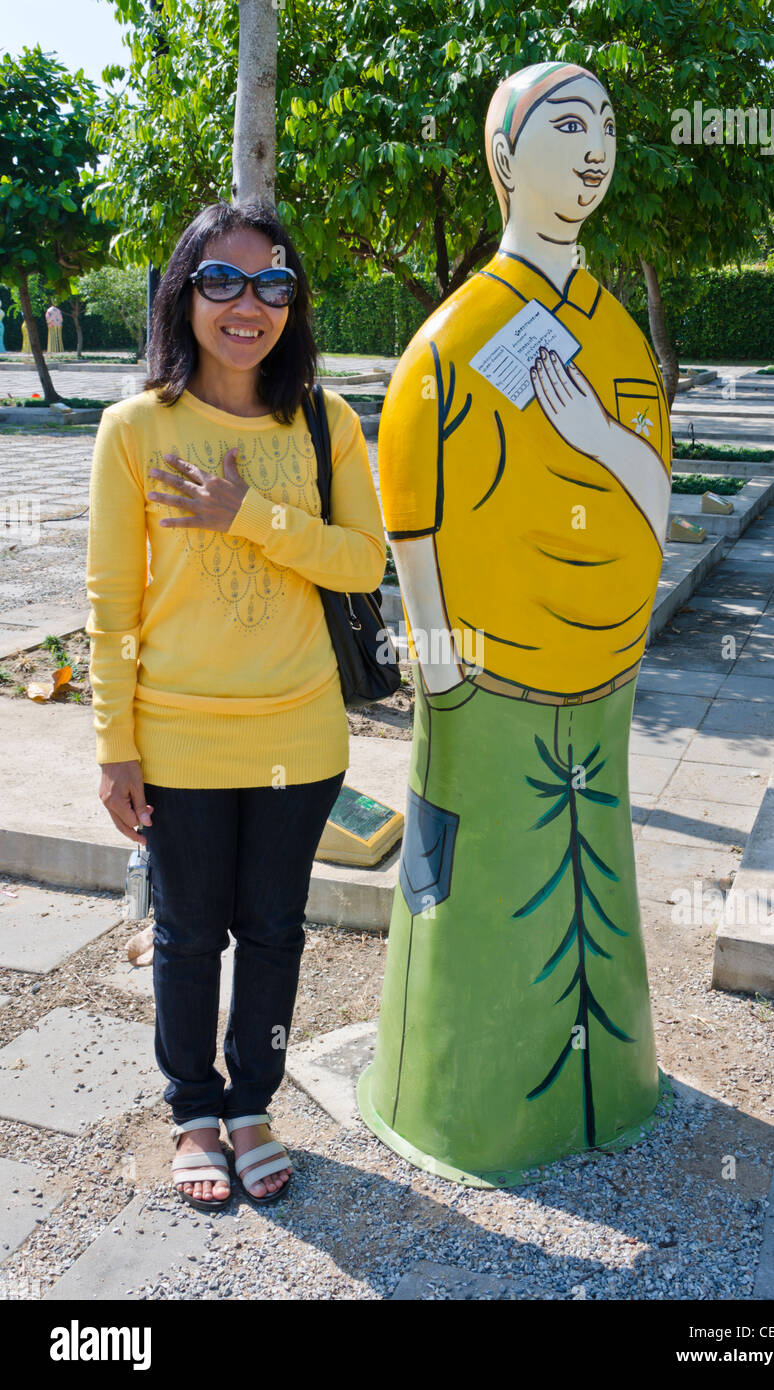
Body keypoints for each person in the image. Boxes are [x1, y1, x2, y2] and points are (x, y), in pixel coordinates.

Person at [359, 62, 673, 1184]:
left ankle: (605, 1086)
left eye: (607, 129)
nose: (595, 152)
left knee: (594, 888)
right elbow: (414, 528)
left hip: (605, 678)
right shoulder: (451, 342)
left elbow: (657, 499)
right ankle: (459, 1098)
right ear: (504, 157)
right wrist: (439, 678)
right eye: (567, 126)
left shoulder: (619, 339)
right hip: (486, 689)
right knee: (484, 897)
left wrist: (595, 439)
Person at [86, 198, 386, 1208]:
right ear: (184, 293)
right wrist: (114, 744)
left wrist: (248, 515)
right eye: (222, 280)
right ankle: (192, 1111)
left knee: (273, 929)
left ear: (294, 303)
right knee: (185, 932)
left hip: (299, 733)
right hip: (176, 735)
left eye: (271, 283)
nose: (246, 303)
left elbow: (362, 558)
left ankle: (251, 1104)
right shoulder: (136, 427)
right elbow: (111, 602)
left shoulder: (325, 421)